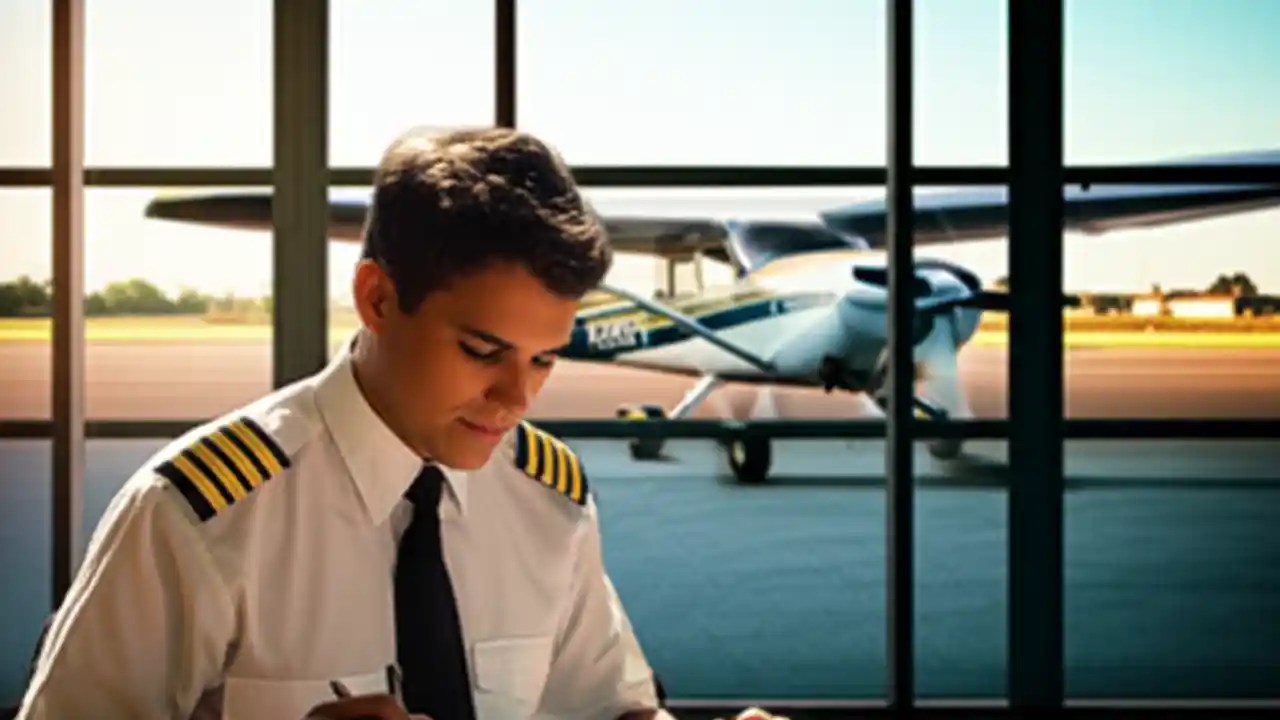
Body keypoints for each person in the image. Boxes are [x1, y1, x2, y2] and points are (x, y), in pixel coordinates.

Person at [16, 126, 694, 720]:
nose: (517, 398)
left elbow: (607, 705)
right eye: (482, 351)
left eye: (544, 359)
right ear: (377, 297)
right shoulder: (197, 514)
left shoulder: (550, 497)